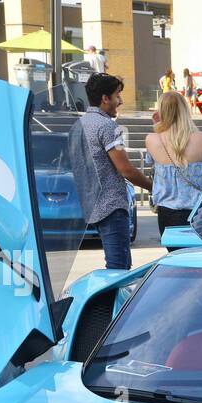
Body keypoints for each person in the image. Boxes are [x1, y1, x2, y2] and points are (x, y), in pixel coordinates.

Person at [70, 73, 152, 269]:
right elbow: (126, 170)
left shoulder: (77, 126)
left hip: (91, 205)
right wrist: (153, 186)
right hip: (111, 206)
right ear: (105, 99)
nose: (121, 101)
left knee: (115, 265)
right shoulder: (108, 126)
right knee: (119, 267)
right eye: (117, 95)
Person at [146, 91, 202, 234]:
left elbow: (152, 166)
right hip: (199, 212)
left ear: (161, 111)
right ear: (185, 110)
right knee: (197, 254)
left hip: (166, 212)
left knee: (174, 254)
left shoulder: (151, 140)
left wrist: (158, 125)